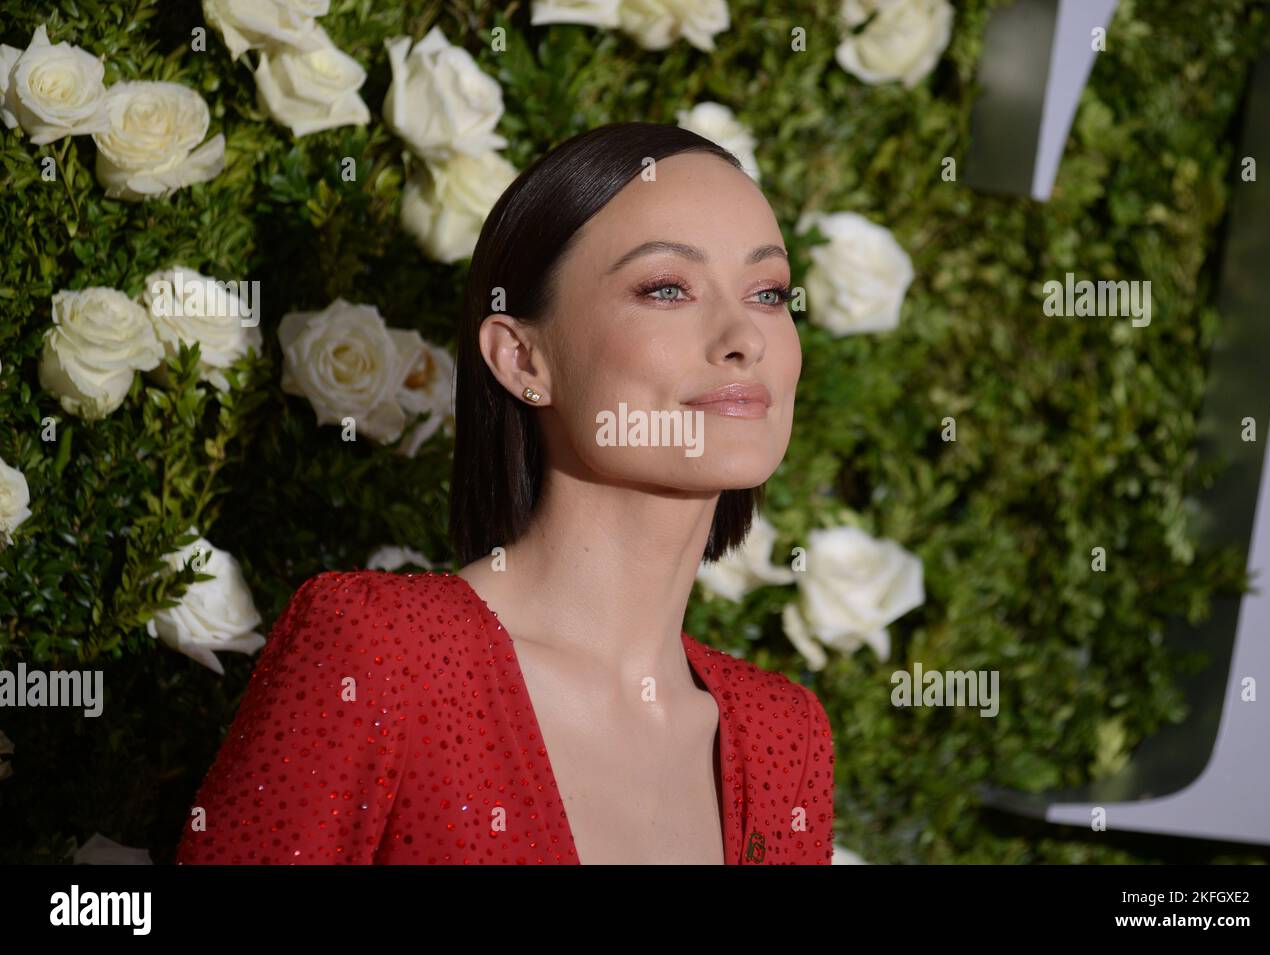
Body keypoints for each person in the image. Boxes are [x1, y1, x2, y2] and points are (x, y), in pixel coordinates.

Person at [175, 121, 834, 865]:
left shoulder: (786, 737)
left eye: (769, 291)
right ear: (522, 357)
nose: (742, 334)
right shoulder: (384, 653)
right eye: (667, 288)